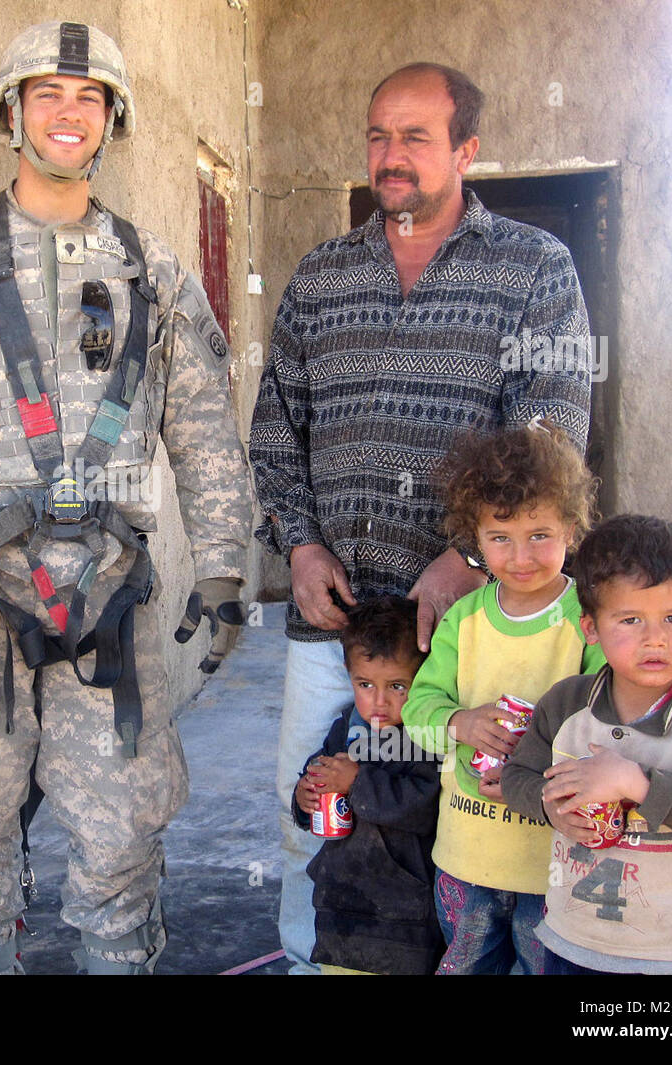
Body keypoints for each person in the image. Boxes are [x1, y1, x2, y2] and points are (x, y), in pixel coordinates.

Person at [0, 21, 251, 974]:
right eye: (47, 96)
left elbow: (204, 435)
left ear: (111, 119)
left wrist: (229, 565)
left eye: (88, 99)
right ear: (11, 113)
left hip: (107, 604)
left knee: (122, 836)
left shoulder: (152, 269)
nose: (68, 115)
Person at [248, 61, 593, 973]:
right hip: (336, 629)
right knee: (318, 810)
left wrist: (471, 561)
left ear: (466, 150)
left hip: (478, 628)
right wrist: (301, 541)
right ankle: (311, 961)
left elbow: (553, 427)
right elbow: (275, 428)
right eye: (376, 135)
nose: (389, 156)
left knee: (476, 832)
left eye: (414, 136)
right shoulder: (322, 276)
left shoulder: (533, 268)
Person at [503, 515, 672, 974]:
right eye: (631, 618)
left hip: (670, 955)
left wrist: (637, 783)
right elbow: (518, 777)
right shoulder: (566, 705)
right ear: (591, 629)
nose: (655, 637)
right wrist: (549, 805)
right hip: (569, 943)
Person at [401, 420, 603, 973]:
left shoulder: (587, 622)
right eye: (500, 537)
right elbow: (418, 709)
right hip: (468, 858)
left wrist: (541, 750)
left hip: (557, 865)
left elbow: (615, 722)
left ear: (570, 527)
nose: (520, 557)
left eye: (540, 535)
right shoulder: (463, 620)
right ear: (476, 536)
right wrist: (460, 723)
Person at [291, 595, 442, 975]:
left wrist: (358, 782)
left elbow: (424, 808)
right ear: (348, 674)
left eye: (397, 686)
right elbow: (321, 770)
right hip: (341, 903)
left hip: (405, 913)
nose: (378, 701)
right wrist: (305, 796)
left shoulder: (427, 736)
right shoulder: (347, 724)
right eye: (364, 683)